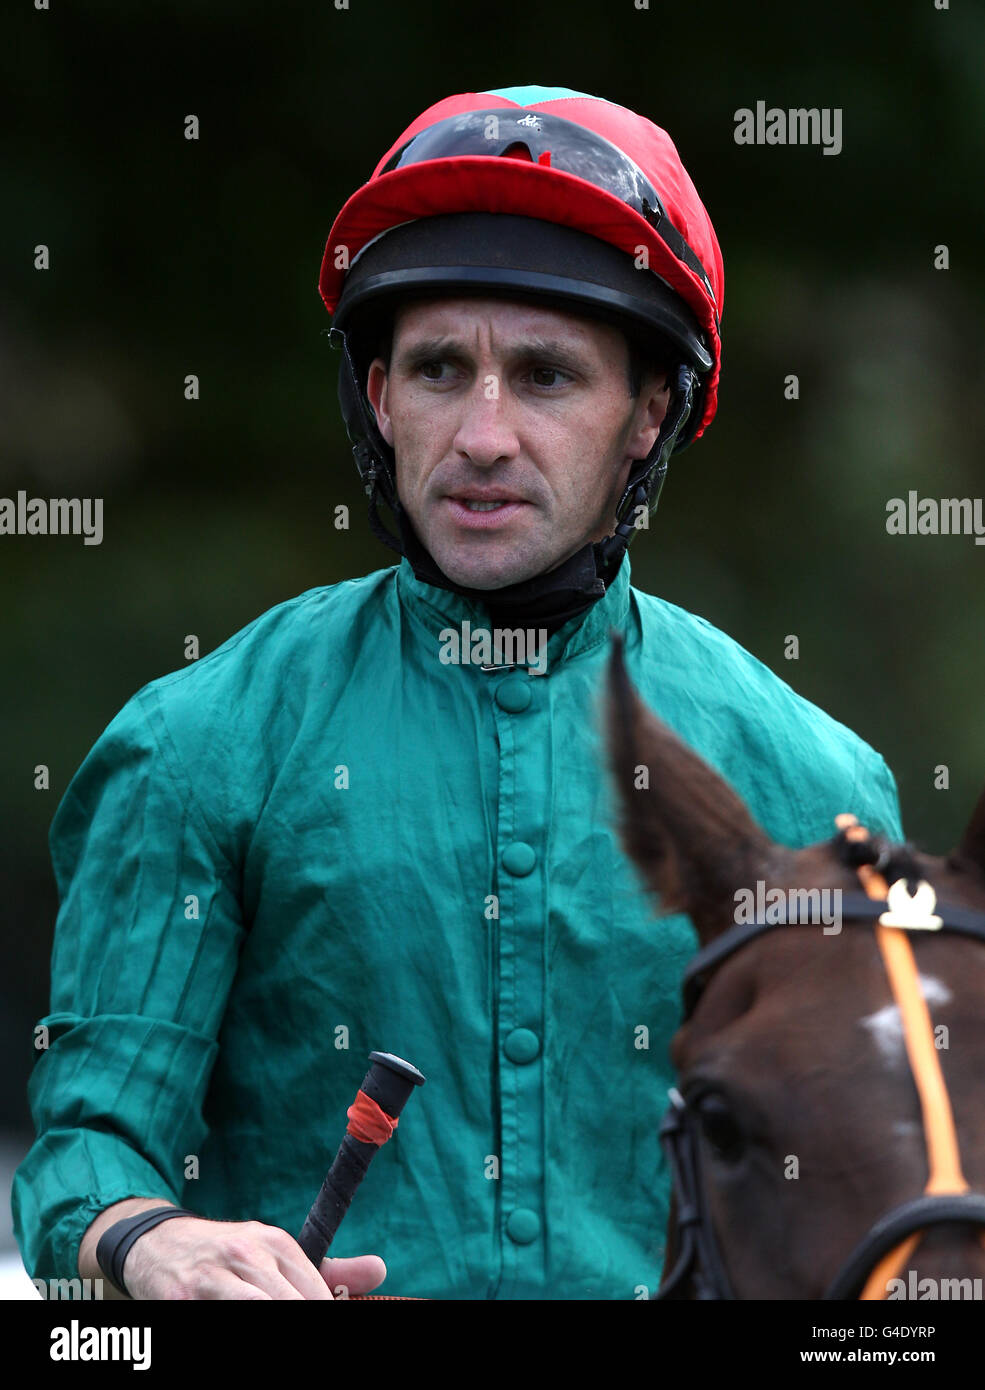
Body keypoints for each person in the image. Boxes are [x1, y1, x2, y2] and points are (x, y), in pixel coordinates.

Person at [12, 84, 903, 1301]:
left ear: (648, 415)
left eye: (544, 376)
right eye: (439, 369)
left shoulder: (823, 788)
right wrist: (148, 1240)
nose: (482, 434)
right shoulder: (198, 742)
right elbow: (84, 1158)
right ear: (380, 399)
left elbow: (877, 1217)